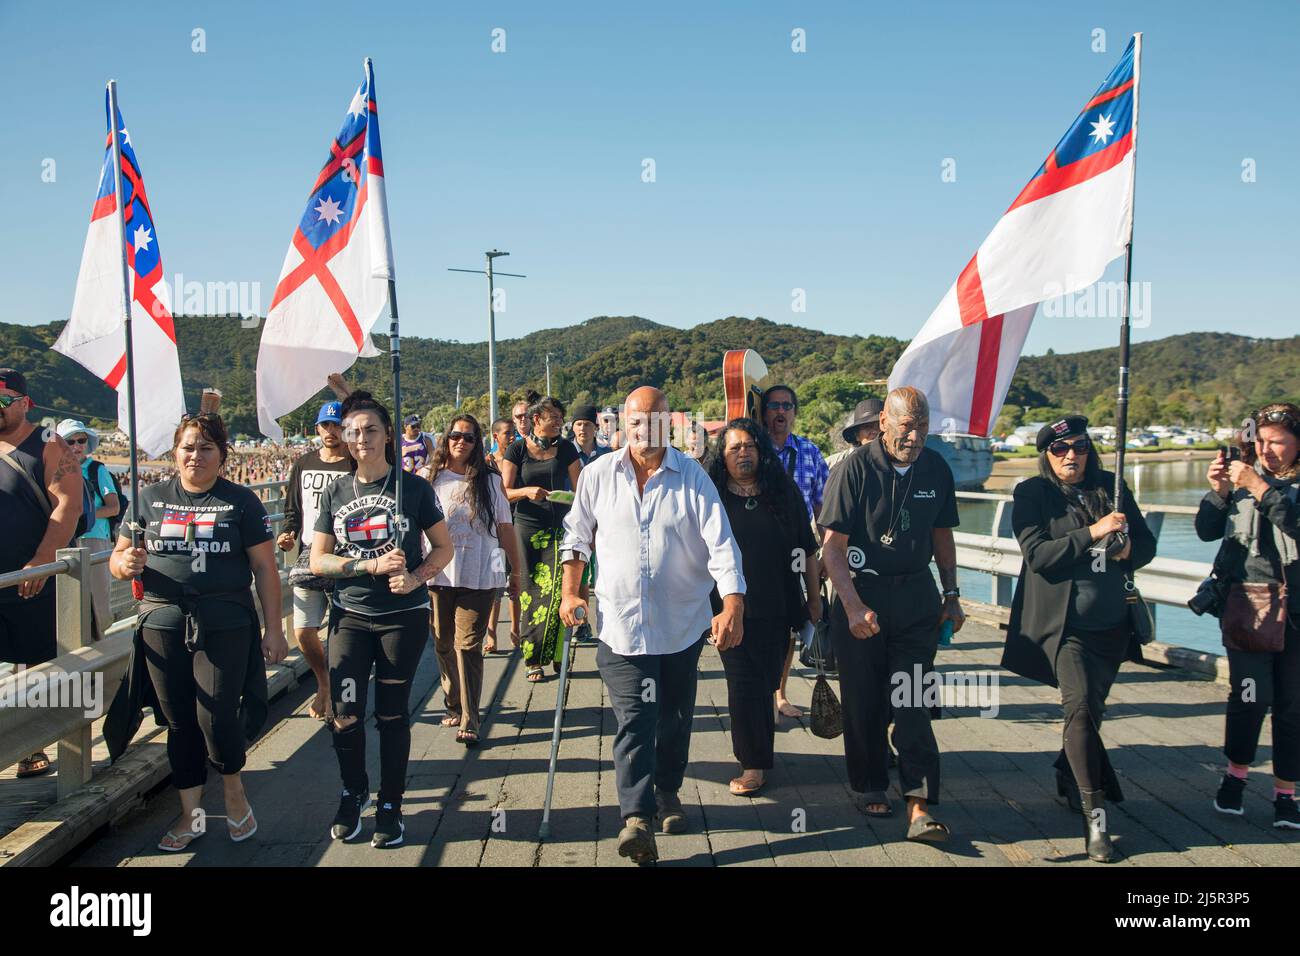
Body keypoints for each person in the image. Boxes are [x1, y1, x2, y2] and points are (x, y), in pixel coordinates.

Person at [560, 386, 745, 864]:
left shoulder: (693, 478)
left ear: (670, 424)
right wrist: (570, 591)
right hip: (619, 626)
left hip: (681, 626)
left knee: (675, 717)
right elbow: (577, 537)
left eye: (655, 420)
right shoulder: (599, 475)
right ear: (623, 424)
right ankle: (637, 817)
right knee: (635, 720)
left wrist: (732, 604)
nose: (645, 430)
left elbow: (721, 545)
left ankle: (668, 793)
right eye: (636, 421)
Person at [108, 410, 288, 850]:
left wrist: (274, 629)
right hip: (162, 622)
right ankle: (191, 814)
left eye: (206, 447)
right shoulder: (149, 498)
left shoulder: (242, 502)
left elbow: (265, 568)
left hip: (225, 622)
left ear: (222, 456)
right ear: (175, 452)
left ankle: (233, 790)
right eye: (188, 447)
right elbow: (118, 559)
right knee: (178, 721)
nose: (196, 456)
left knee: (216, 713)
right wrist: (124, 563)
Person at [1001, 415, 1156, 863]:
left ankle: (1068, 775)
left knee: (1091, 714)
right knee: (1082, 708)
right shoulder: (1033, 493)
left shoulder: (1114, 486)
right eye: (1061, 449)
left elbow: (1145, 546)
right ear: (1047, 455)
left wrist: (1128, 548)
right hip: (1066, 626)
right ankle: (1096, 821)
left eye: (1081, 447)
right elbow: (1039, 555)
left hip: (1113, 623)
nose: (1073, 456)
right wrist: (1094, 532)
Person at [819, 386, 964, 842]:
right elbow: (832, 549)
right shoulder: (854, 469)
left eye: (923, 428)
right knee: (864, 701)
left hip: (916, 601)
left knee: (914, 700)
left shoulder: (936, 468)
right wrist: (853, 605)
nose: (916, 436)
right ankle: (870, 783)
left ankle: (919, 804)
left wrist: (952, 593)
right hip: (861, 597)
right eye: (907, 426)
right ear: (884, 421)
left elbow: (943, 536)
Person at [310, 391, 453, 848]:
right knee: (346, 714)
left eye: (371, 430)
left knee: (392, 717)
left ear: (388, 435)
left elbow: (444, 548)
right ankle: (353, 793)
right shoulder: (336, 490)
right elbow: (318, 560)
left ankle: (391, 804)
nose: (361, 438)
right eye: (353, 431)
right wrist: (365, 567)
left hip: (401, 620)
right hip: (350, 617)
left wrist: (416, 577)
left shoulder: (413, 488)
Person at [1197, 403, 1300, 829]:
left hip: (1296, 613)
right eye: (1260, 441)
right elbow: (1205, 529)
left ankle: (1286, 794)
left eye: (1277, 441)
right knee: (1250, 697)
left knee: (1293, 708)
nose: (1267, 449)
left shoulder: (1261, 482)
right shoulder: (1241, 478)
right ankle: (1235, 777)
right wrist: (1220, 491)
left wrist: (1259, 485)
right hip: (1248, 607)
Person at [708, 418, 820, 796]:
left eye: (750, 446)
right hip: (728, 608)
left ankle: (758, 746)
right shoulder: (711, 496)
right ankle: (753, 764)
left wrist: (814, 601)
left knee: (767, 681)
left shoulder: (783, 492)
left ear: (761, 451)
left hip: (778, 604)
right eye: (734, 447)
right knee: (743, 683)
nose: (743, 452)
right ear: (721, 457)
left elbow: (807, 550)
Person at [0, 370, 84, 778]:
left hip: (31, 575)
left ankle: (31, 746)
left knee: (35, 663)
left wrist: (42, 558)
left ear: (25, 402)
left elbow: (69, 505)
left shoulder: (49, 445)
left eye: (3, 399)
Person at [425, 415, 520, 745]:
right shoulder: (431, 478)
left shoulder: (490, 481)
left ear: (477, 443)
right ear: (446, 439)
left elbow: (505, 528)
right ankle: (453, 701)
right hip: (438, 574)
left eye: (468, 437)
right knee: (442, 642)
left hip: (480, 574)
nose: (461, 442)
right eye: (455, 435)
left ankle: (470, 716)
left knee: (468, 646)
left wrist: (515, 571)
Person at [277, 402, 352, 720]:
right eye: (325, 425)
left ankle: (339, 691)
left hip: (347, 555)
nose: (330, 431)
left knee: (341, 630)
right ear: (317, 428)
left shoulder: (354, 463)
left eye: (336, 425)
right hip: (309, 552)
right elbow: (293, 507)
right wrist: (288, 533)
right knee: (304, 630)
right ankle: (323, 683)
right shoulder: (304, 463)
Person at [499, 395, 582, 682]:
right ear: (536, 420)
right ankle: (533, 658)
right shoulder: (517, 450)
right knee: (531, 592)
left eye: (560, 417)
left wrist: (572, 501)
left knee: (561, 591)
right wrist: (525, 492)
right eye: (553, 417)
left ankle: (560, 655)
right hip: (528, 529)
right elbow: (503, 491)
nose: (559, 422)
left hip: (561, 529)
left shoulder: (567, 449)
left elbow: (582, 489)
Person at [761, 384, 829, 721]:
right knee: (760, 622)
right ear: (763, 411)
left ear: (794, 412)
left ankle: (780, 692)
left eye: (787, 405)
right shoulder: (752, 449)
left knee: (793, 622)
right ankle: (758, 690)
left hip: (800, 551)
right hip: (759, 552)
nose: (781, 411)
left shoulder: (809, 452)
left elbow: (824, 509)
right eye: (774, 405)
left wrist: (829, 552)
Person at [58, 419, 120, 642]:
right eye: (70, 441)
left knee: (97, 599)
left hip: (93, 539)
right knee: (67, 602)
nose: (76, 446)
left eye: (81, 440)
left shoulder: (96, 469)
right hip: (63, 540)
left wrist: (83, 516)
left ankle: (100, 654)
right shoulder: (55, 471)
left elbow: (114, 507)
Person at [569, 404, 610, 642]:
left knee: (602, 575)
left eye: (587, 424)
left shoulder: (607, 454)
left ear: (595, 427)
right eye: (578, 424)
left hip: (604, 522)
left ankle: (606, 621)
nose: (583, 428)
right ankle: (582, 623)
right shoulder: (566, 453)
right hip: (576, 522)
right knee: (580, 575)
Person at [486, 416, 521, 649]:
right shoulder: (486, 462)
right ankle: (491, 636)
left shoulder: (519, 457)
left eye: (514, 433)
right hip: (495, 532)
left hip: (516, 525)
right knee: (496, 584)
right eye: (507, 433)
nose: (512, 437)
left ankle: (516, 632)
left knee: (515, 582)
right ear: (495, 436)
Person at [826, 398, 884, 471]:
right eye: (868, 427)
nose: (875, 431)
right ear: (856, 435)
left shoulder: (899, 463)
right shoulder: (832, 464)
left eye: (879, 426)